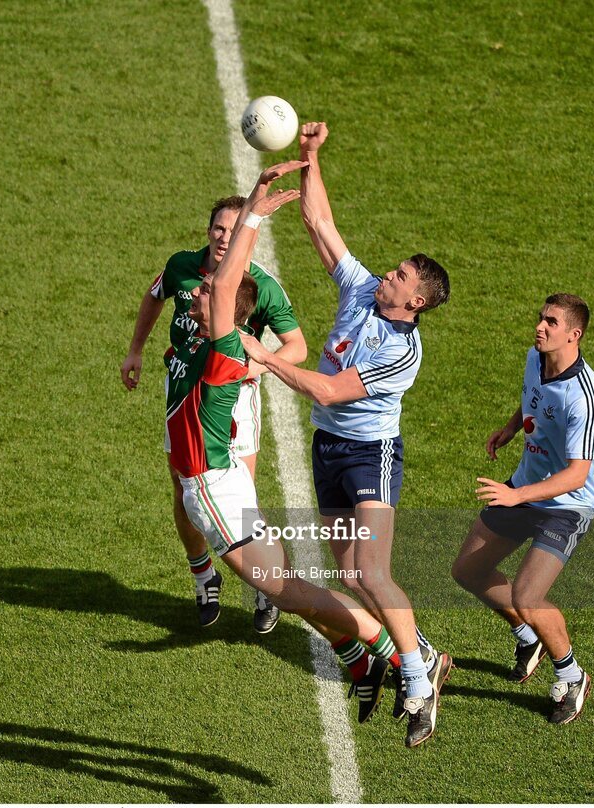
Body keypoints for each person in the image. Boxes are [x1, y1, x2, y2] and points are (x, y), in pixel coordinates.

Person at [239, 122, 452, 748]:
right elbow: (320, 224)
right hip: (327, 447)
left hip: (369, 456)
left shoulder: (401, 350)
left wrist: (265, 354)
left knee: (374, 572)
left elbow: (330, 390)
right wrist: (310, 158)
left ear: (414, 302)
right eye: (393, 268)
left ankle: (416, 680)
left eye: (400, 276)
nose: (387, 273)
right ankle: (428, 656)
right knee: (352, 579)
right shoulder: (362, 292)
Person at [170, 160, 401, 708]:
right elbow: (219, 286)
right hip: (221, 482)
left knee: (287, 590)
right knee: (292, 590)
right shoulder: (192, 340)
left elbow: (228, 280)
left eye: (205, 295)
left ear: (227, 312)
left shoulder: (224, 352)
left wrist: (253, 212)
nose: (198, 295)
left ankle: (395, 650)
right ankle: (359, 658)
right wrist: (251, 204)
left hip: (214, 492)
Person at [121, 192, 307, 633]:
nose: (224, 237)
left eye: (233, 229)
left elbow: (297, 346)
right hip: (184, 390)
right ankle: (204, 575)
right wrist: (135, 351)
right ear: (208, 231)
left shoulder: (261, 287)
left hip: (232, 398)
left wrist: (250, 366)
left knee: (242, 502)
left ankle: (267, 585)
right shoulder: (183, 266)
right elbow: (153, 297)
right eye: (218, 228)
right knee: (185, 493)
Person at [451, 293, 594, 725]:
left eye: (551, 323)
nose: (540, 327)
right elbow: (531, 399)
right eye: (541, 318)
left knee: (527, 595)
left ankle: (571, 676)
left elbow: (577, 474)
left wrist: (518, 495)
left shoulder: (585, 397)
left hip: (565, 506)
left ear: (573, 335)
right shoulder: (535, 358)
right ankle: (527, 636)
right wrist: (509, 428)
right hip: (523, 488)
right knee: (468, 571)